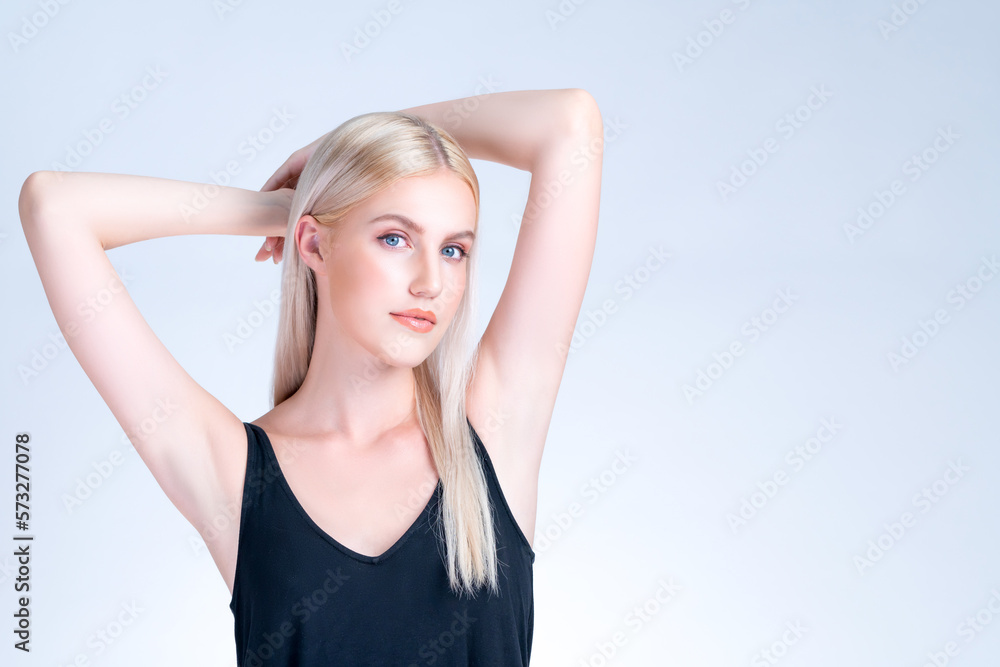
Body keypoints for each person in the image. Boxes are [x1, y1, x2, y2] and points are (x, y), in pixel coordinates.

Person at [19, 88, 603, 664]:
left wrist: (343, 144)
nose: (431, 281)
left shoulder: (495, 433)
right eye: (395, 238)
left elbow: (569, 123)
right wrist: (286, 205)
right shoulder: (235, 472)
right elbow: (54, 207)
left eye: (454, 250)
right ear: (313, 244)